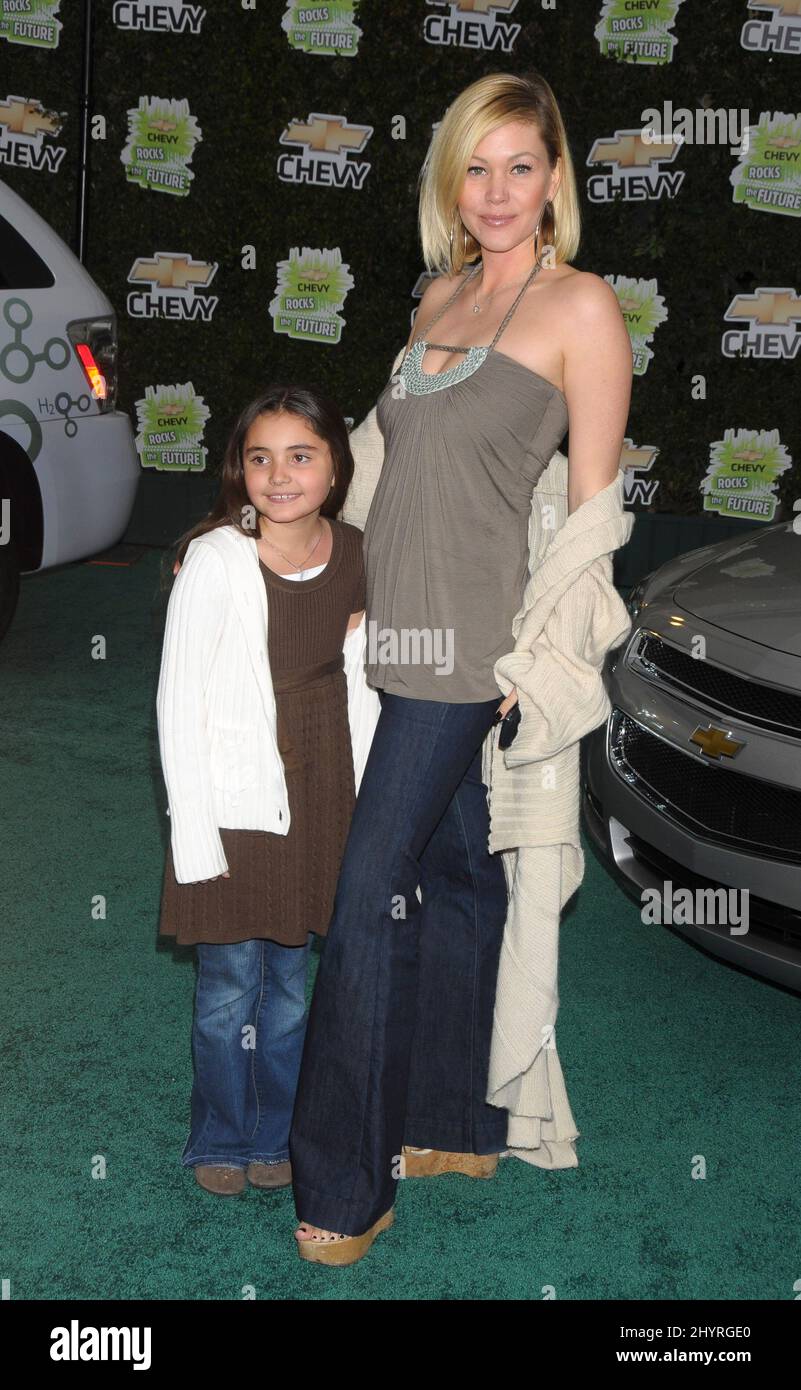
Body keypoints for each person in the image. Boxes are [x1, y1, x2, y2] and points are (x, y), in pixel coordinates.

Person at [289, 69, 633, 1264]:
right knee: (457, 879)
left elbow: (592, 517)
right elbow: (381, 478)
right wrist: (307, 570)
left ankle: (340, 1186)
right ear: (451, 179)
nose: (497, 190)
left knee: (364, 896)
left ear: (554, 180)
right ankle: (456, 1120)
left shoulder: (581, 308)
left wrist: (535, 664)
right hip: (392, 640)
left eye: (520, 166)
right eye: (475, 167)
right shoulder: (436, 298)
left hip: (471, 662)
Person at [156, 384, 380, 1196]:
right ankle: (217, 1134)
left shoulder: (356, 552)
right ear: (238, 470)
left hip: (319, 790)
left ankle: (274, 1135)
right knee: (225, 990)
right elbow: (177, 705)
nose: (279, 475)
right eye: (260, 457)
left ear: (334, 467)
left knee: (288, 989)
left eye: (301, 455)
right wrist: (193, 838)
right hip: (230, 800)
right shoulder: (214, 558)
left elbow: (368, 675)